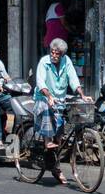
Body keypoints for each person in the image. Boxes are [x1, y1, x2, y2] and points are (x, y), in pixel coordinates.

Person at [33, 37, 81, 185]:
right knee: (47, 108)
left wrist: (81, 93)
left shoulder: (67, 62)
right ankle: (47, 141)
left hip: (60, 99)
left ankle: (55, 166)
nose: (54, 55)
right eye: (52, 52)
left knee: (60, 135)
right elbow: (40, 80)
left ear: (62, 54)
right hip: (43, 97)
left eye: (57, 53)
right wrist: (48, 96)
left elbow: (73, 78)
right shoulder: (44, 62)